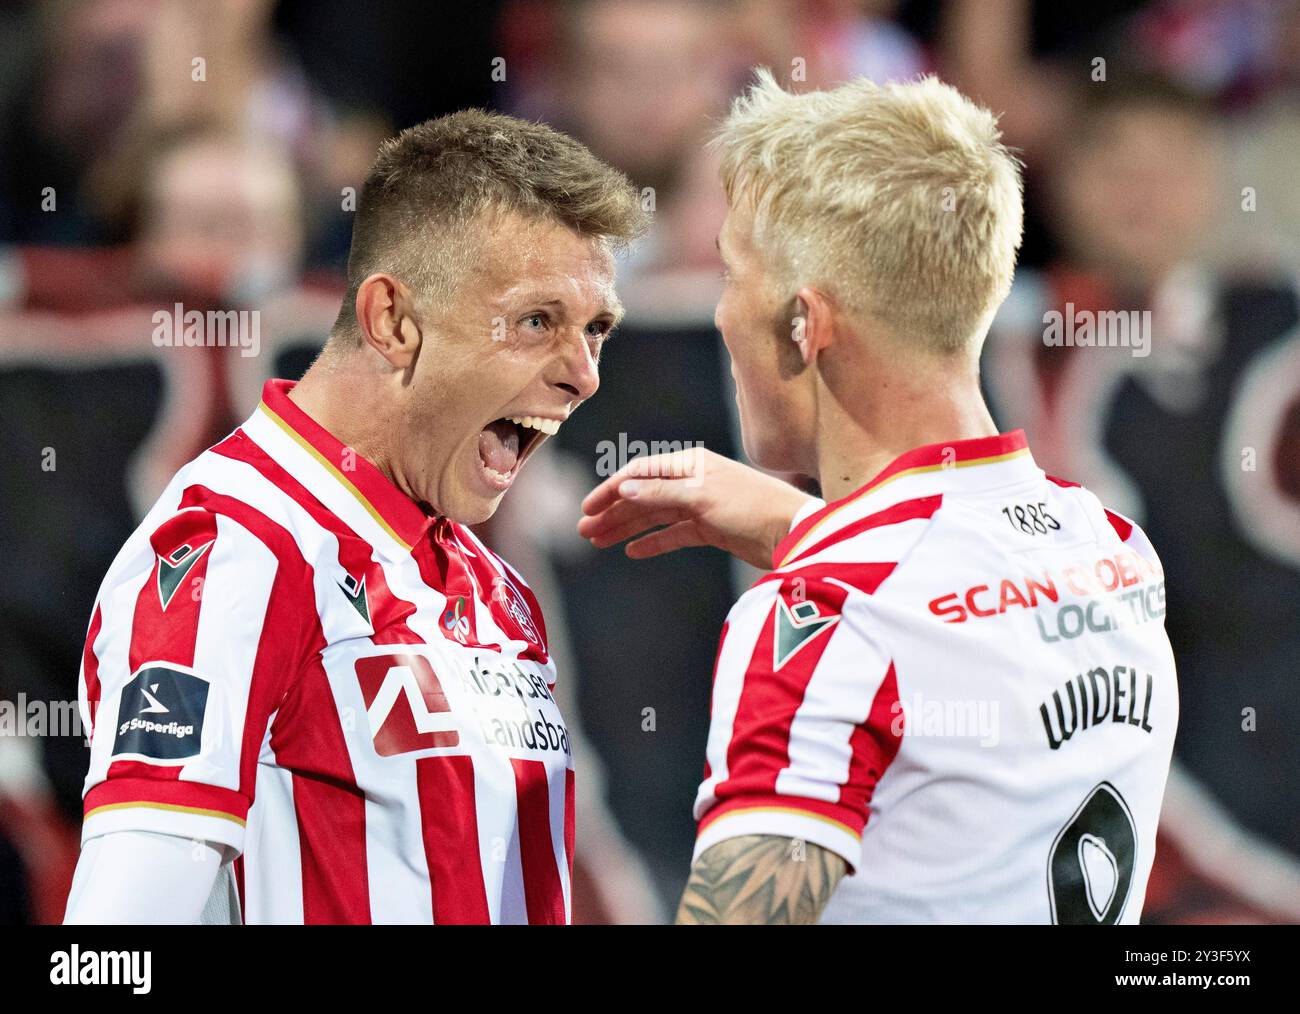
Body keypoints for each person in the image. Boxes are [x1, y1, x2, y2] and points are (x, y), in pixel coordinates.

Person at [579, 70, 1179, 924]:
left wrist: (817, 559)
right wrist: (807, 529)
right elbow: (957, 609)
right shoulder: (1116, 550)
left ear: (803, 325)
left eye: (731, 275)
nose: (718, 316)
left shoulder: (820, 619)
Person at [63, 110, 647, 924]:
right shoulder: (236, 547)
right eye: (538, 321)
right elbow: (112, 944)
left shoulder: (496, 588)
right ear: (392, 321)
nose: (583, 376)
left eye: (597, 329)